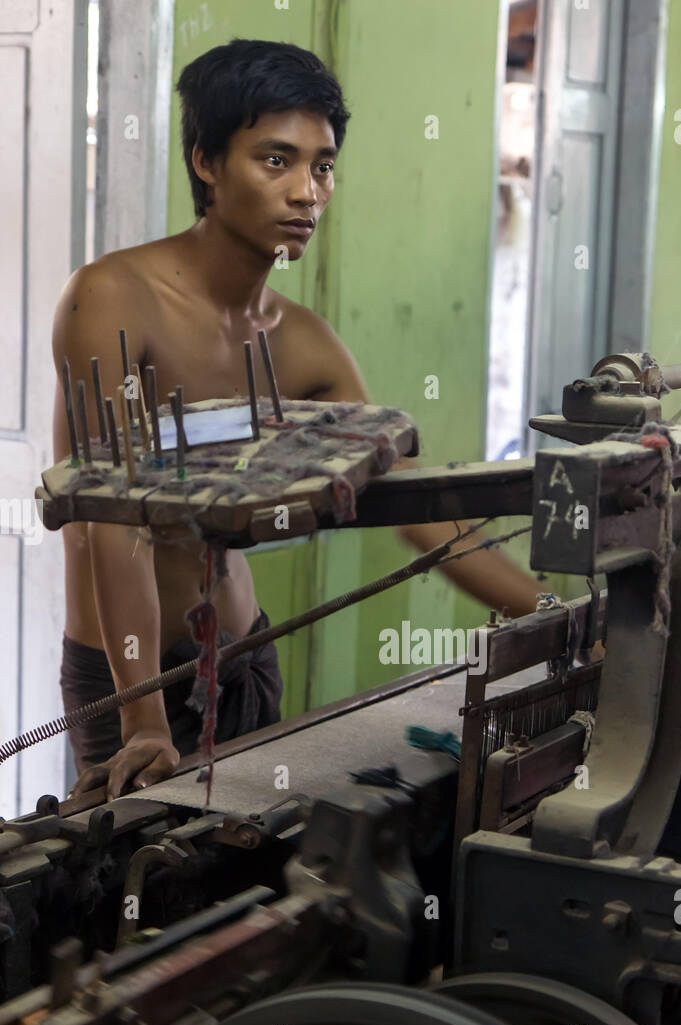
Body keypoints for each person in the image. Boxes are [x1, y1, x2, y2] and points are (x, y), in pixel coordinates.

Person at [54, 38, 541, 802]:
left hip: (245, 652)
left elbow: (420, 514)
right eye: (275, 161)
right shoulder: (112, 298)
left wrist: (554, 615)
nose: (307, 192)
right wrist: (144, 717)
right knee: (145, 888)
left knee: (251, 851)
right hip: (130, 675)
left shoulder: (305, 345)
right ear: (206, 163)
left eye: (321, 166)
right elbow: (109, 521)